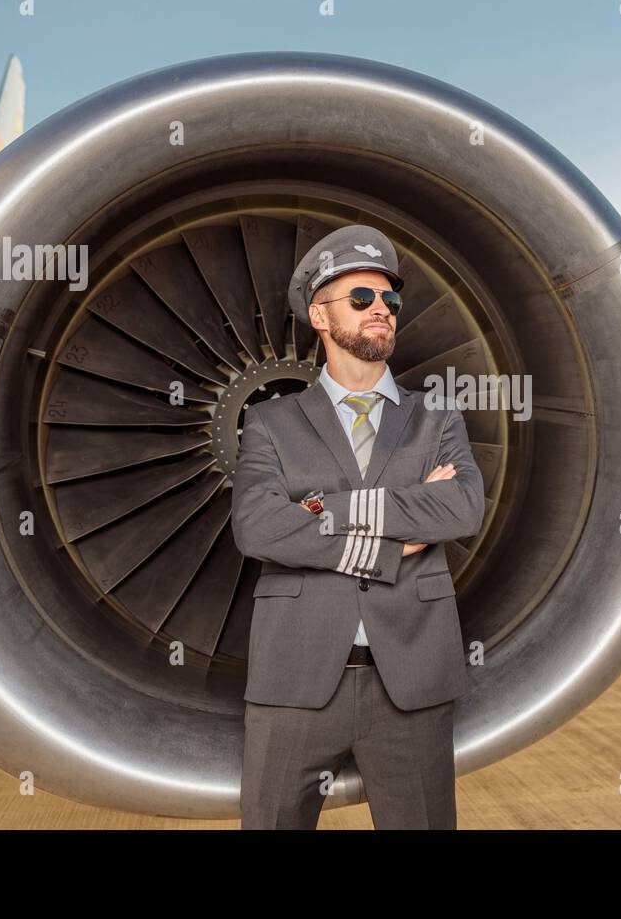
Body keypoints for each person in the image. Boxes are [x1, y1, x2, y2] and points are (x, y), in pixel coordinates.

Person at [231, 223, 485, 829]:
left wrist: (324, 508)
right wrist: (392, 541)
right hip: (295, 678)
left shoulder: (436, 416)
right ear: (321, 316)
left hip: (411, 680)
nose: (382, 311)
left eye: (390, 300)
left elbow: (462, 508)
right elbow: (258, 529)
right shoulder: (271, 422)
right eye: (363, 299)